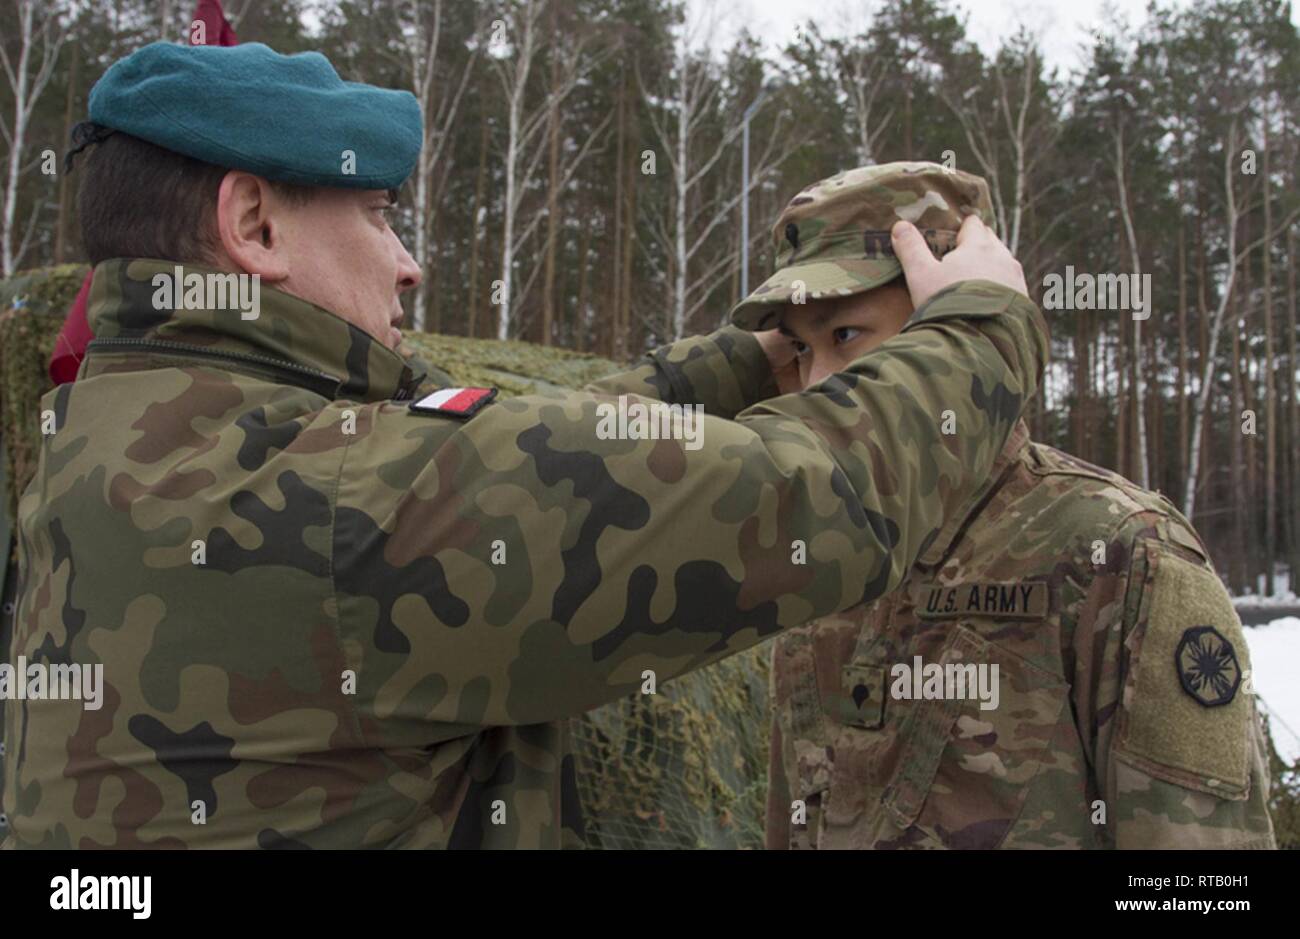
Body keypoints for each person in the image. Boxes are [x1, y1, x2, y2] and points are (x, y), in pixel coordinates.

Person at [1, 44, 1045, 849]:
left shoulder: (102, 448)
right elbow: (819, 495)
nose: (407, 265)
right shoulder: (339, 497)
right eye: (376, 212)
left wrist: (733, 365)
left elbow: (499, 456)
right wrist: (981, 324)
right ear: (254, 224)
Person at [743, 162, 1277, 850]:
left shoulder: (1119, 553)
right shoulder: (826, 558)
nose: (815, 382)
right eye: (798, 348)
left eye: (844, 335)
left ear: (950, 321)